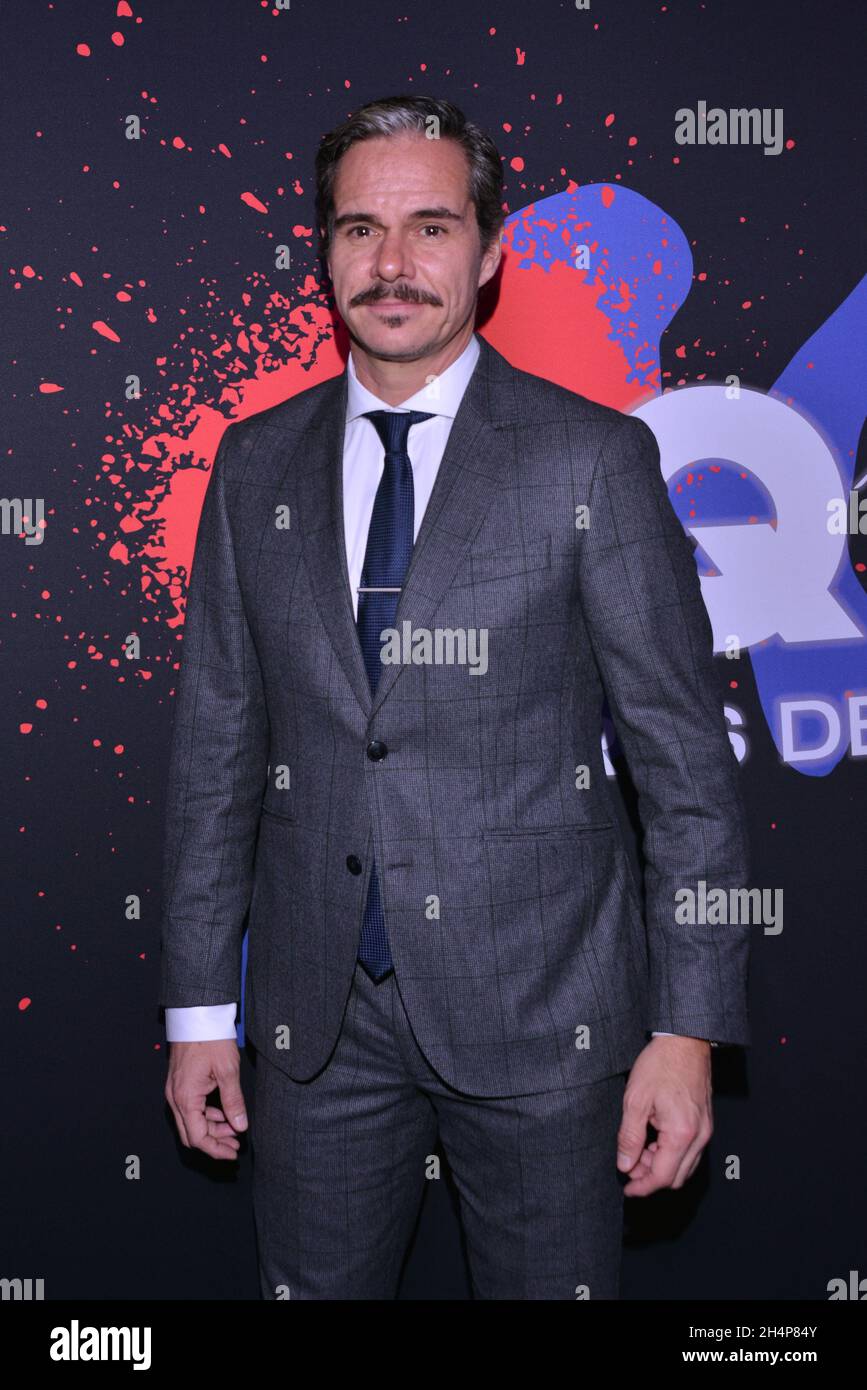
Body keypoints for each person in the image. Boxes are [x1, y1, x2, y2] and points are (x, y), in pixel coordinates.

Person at [159, 95, 751, 1300]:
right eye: (357, 229)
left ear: (488, 255)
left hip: (550, 1026)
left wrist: (687, 1034)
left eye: (430, 227)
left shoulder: (590, 459)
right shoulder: (252, 463)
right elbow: (218, 750)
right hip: (315, 1034)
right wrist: (197, 1013)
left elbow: (686, 769)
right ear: (321, 253)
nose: (391, 264)